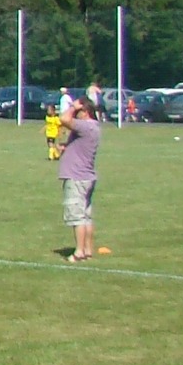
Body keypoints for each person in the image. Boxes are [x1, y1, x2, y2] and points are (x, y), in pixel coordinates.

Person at [58, 96, 103, 262]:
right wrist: (66, 147)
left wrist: (72, 107)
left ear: (84, 111)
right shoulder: (93, 127)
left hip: (77, 177)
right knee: (85, 217)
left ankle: (79, 252)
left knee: (77, 217)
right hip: (86, 176)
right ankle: (87, 250)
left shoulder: (85, 126)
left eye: (77, 112)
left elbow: (63, 119)